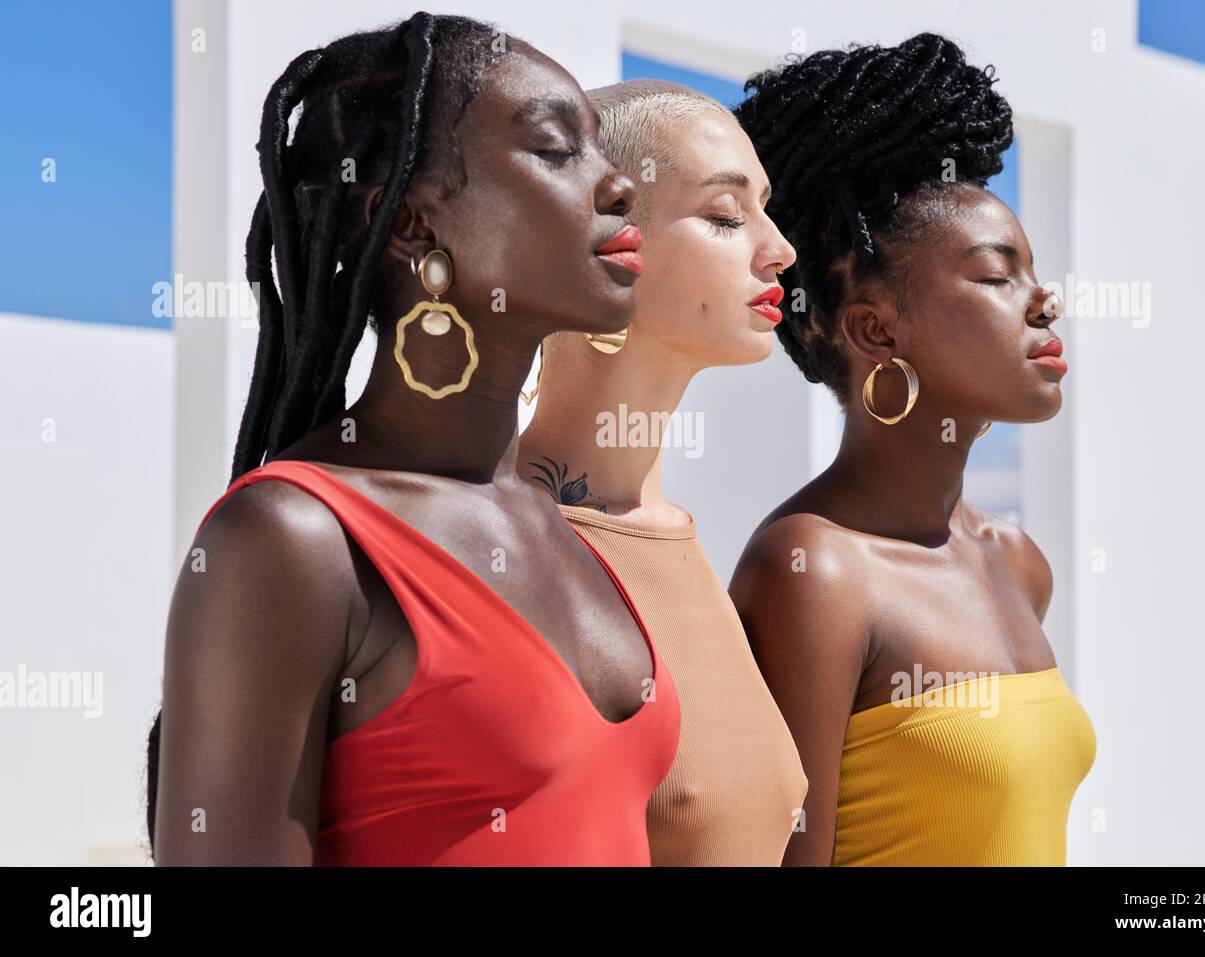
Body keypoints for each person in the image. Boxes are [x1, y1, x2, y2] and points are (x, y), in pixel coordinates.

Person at [147, 12, 679, 866]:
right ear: (410, 224)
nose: (618, 187)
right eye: (554, 148)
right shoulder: (294, 539)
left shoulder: (556, 524)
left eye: (605, 155)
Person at [730, 34, 1096, 866]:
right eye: (998, 276)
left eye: (1032, 272)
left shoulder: (1018, 564)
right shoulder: (812, 573)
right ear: (876, 328)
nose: (1046, 301)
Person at [517, 79, 806, 865]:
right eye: (724, 214)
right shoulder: (499, 548)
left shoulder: (680, 544)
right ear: (608, 238)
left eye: (767, 208)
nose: (779, 247)